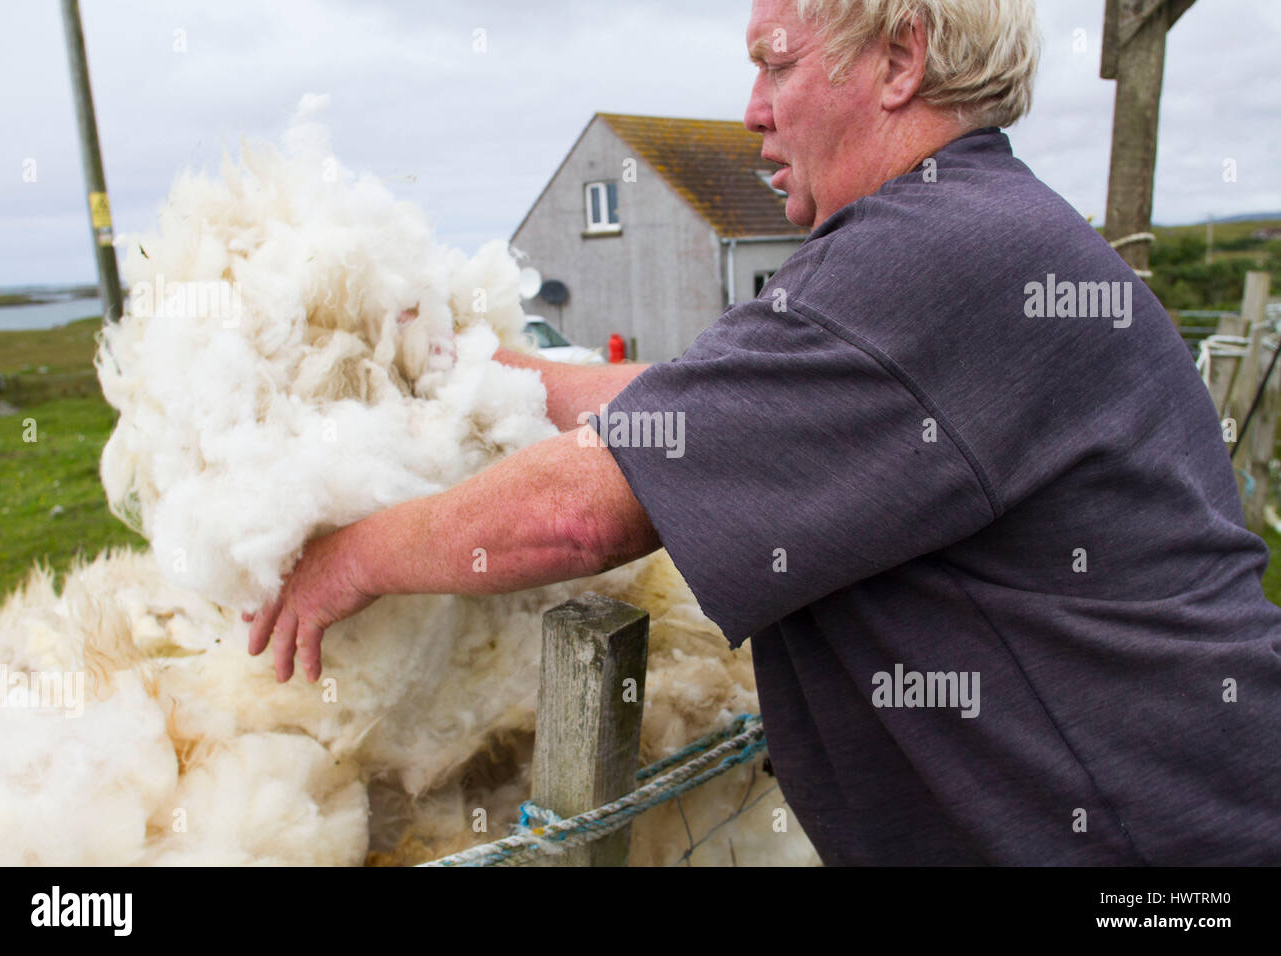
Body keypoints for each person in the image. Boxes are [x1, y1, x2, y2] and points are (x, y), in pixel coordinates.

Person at [248, 0, 1281, 865]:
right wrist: (478, 372)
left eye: (774, 64)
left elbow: (577, 515)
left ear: (898, 57)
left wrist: (354, 555)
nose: (750, 111)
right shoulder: (983, 232)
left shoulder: (920, 260)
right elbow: (694, 404)